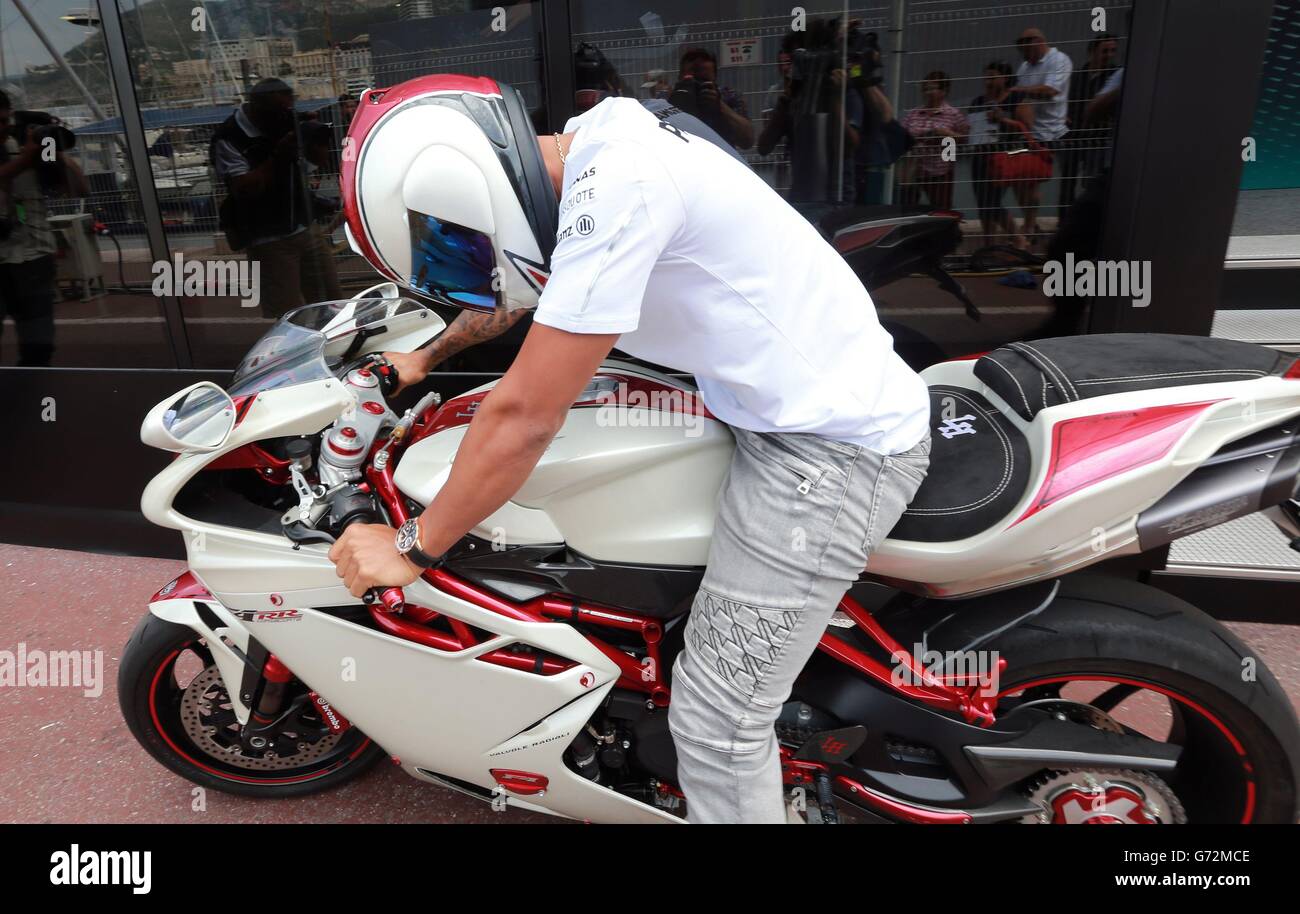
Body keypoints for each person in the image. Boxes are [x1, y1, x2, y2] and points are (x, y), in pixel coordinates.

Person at [329, 77, 932, 823]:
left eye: (454, 244)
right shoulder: (598, 145)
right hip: (768, 413)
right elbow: (529, 286)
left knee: (718, 722)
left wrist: (415, 545)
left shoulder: (621, 189)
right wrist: (427, 353)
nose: (463, 269)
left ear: (470, 187)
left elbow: (523, 417)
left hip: (830, 454)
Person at [209, 78, 341, 318]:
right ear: (257, 108)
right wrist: (279, 155)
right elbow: (243, 188)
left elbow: (314, 164)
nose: (284, 115)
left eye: (288, 108)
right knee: (288, 313)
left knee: (330, 303)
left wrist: (314, 140)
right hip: (267, 238)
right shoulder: (229, 137)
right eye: (279, 109)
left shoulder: (284, 122)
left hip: (304, 225)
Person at [0, 91, 88, 366]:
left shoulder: (24, 149)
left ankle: (28, 395)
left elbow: (78, 189)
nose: (2, 129)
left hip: (33, 258)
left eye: (4, 121)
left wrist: (54, 150)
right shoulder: (23, 156)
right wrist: (25, 159)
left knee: (39, 344)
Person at [1012, 28, 1072, 244]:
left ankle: (1040, 225)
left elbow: (1051, 90)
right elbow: (1021, 97)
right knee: (1020, 178)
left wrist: (1019, 91)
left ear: (1036, 42)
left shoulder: (1059, 59)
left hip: (1054, 132)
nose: (1022, 55)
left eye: (1024, 49)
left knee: (1037, 180)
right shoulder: (1025, 67)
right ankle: (1031, 222)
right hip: (1030, 132)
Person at [966, 61, 1030, 247]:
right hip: (980, 155)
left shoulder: (1016, 99)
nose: (988, 81)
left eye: (993, 77)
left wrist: (1004, 118)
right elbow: (972, 129)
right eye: (986, 77)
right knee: (983, 202)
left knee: (992, 200)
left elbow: (1027, 126)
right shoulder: (978, 102)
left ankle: (1018, 239)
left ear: (1005, 78)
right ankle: (989, 243)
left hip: (1003, 155)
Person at [1060, 33, 1118, 207]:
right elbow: (1069, 102)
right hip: (1075, 135)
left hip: (1099, 137)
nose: (1109, 55)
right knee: (1067, 181)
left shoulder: (1114, 76)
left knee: (1091, 182)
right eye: (1105, 51)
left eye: (1113, 51)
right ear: (1092, 52)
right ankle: (1064, 222)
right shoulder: (1078, 76)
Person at [898, 70, 969, 210]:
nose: (927, 92)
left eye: (932, 88)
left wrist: (945, 134)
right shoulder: (914, 113)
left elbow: (965, 138)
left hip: (941, 171)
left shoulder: (953, 114)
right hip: (914, 170)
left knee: (942, 209)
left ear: (944, 91)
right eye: (925, 89)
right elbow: (901, 135)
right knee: (908, 209)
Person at [668, 48, 754, 150]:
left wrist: (720, 106)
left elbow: (747, 142)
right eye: (691, 80)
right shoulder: (668, 99)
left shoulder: (729, 96)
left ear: (714, 77)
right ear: (680, 77)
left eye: (703, 81)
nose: (696, 86)